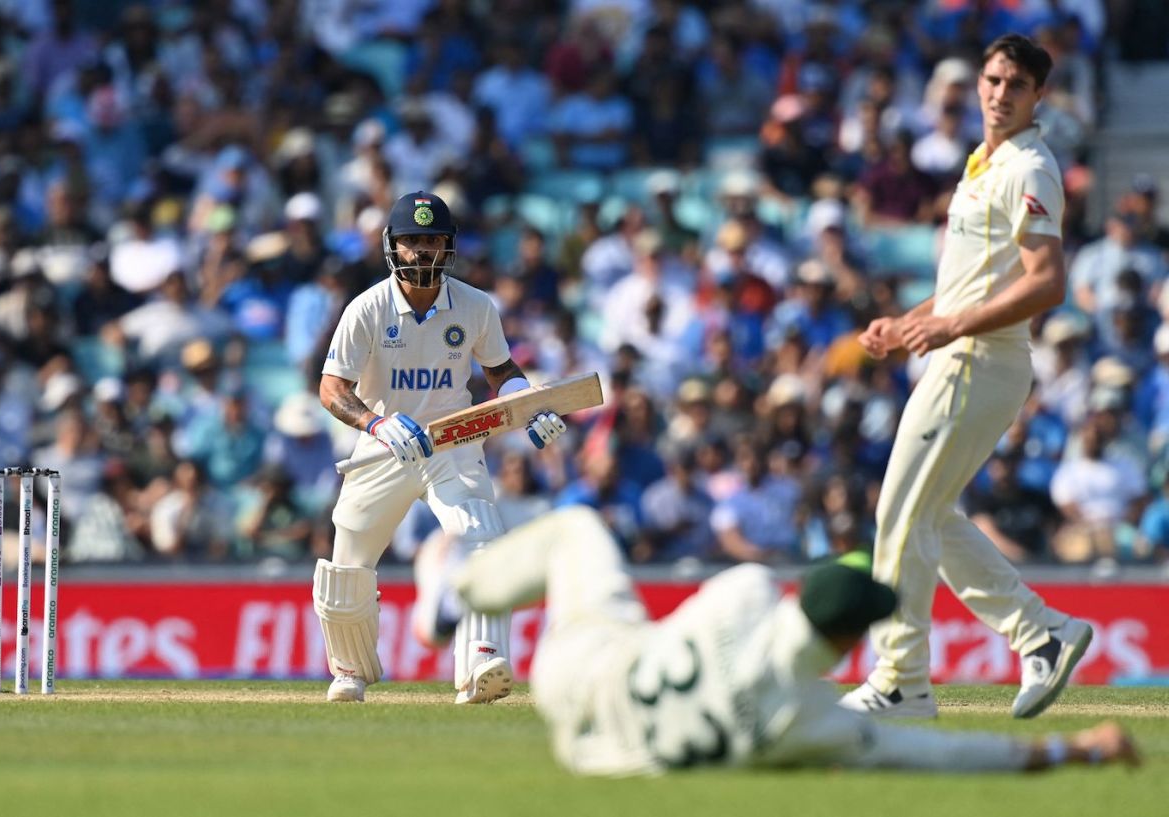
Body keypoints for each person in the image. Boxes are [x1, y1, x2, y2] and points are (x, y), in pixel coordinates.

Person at [445, 506, 1139, 776]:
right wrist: (1070, 748)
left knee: (576, 531)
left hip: (579, 670)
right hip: (595, 754)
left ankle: (458, 592)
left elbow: (676, 631)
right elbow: (941, 751)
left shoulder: (746, 589)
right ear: (845, 642)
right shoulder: (812, 722)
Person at [844, 35, 1092, 719]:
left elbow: (1047, 283)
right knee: (929, 516)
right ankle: (1041, 632)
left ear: (1038, 95)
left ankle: (902, 681)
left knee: (900, 513)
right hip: (963, 356)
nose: (1000, 93)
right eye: (992, 79)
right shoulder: (983, 161)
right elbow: (966, 287)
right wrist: (906, 323)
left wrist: (951, 328)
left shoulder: (1031, 167)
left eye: (1016, 84)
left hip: (980, 361)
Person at [315, 191, 567, 704]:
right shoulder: (367, 308)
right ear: (393, 247)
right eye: (411, 242)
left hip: (452, 441)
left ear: (448, 247)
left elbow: (502, 373)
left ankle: (480, 661)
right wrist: (377, 424)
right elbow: (332, 387)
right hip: (385, 448)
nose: (421, 252)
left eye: (432, 241)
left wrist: (528, 406)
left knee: (481, 534)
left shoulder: (475, 305)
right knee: (349, 559)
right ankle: (349, 671)